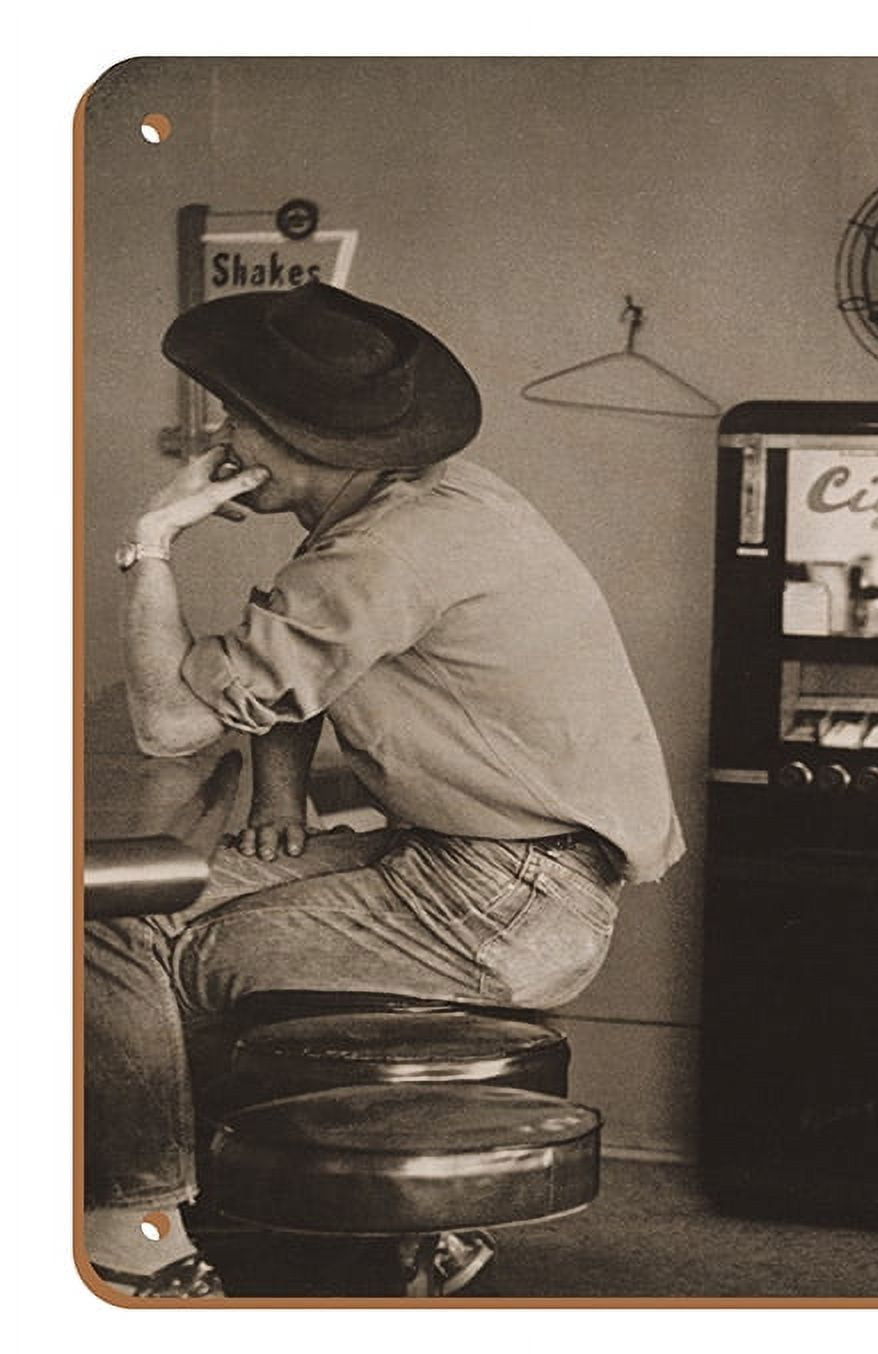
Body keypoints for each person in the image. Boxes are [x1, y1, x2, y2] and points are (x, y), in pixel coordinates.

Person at [85, 281, 682, 1296]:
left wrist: (153, 544)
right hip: (484, 865)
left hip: (502, 898)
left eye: (239, 419)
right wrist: (280, 795)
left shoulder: (381, 550)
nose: (221, 437)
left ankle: (144, 1241)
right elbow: (309, 660)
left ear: (298, 437)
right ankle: (275, 1215)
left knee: (127, 937)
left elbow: (170, 721)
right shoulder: (436, 500)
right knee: (126, 914)